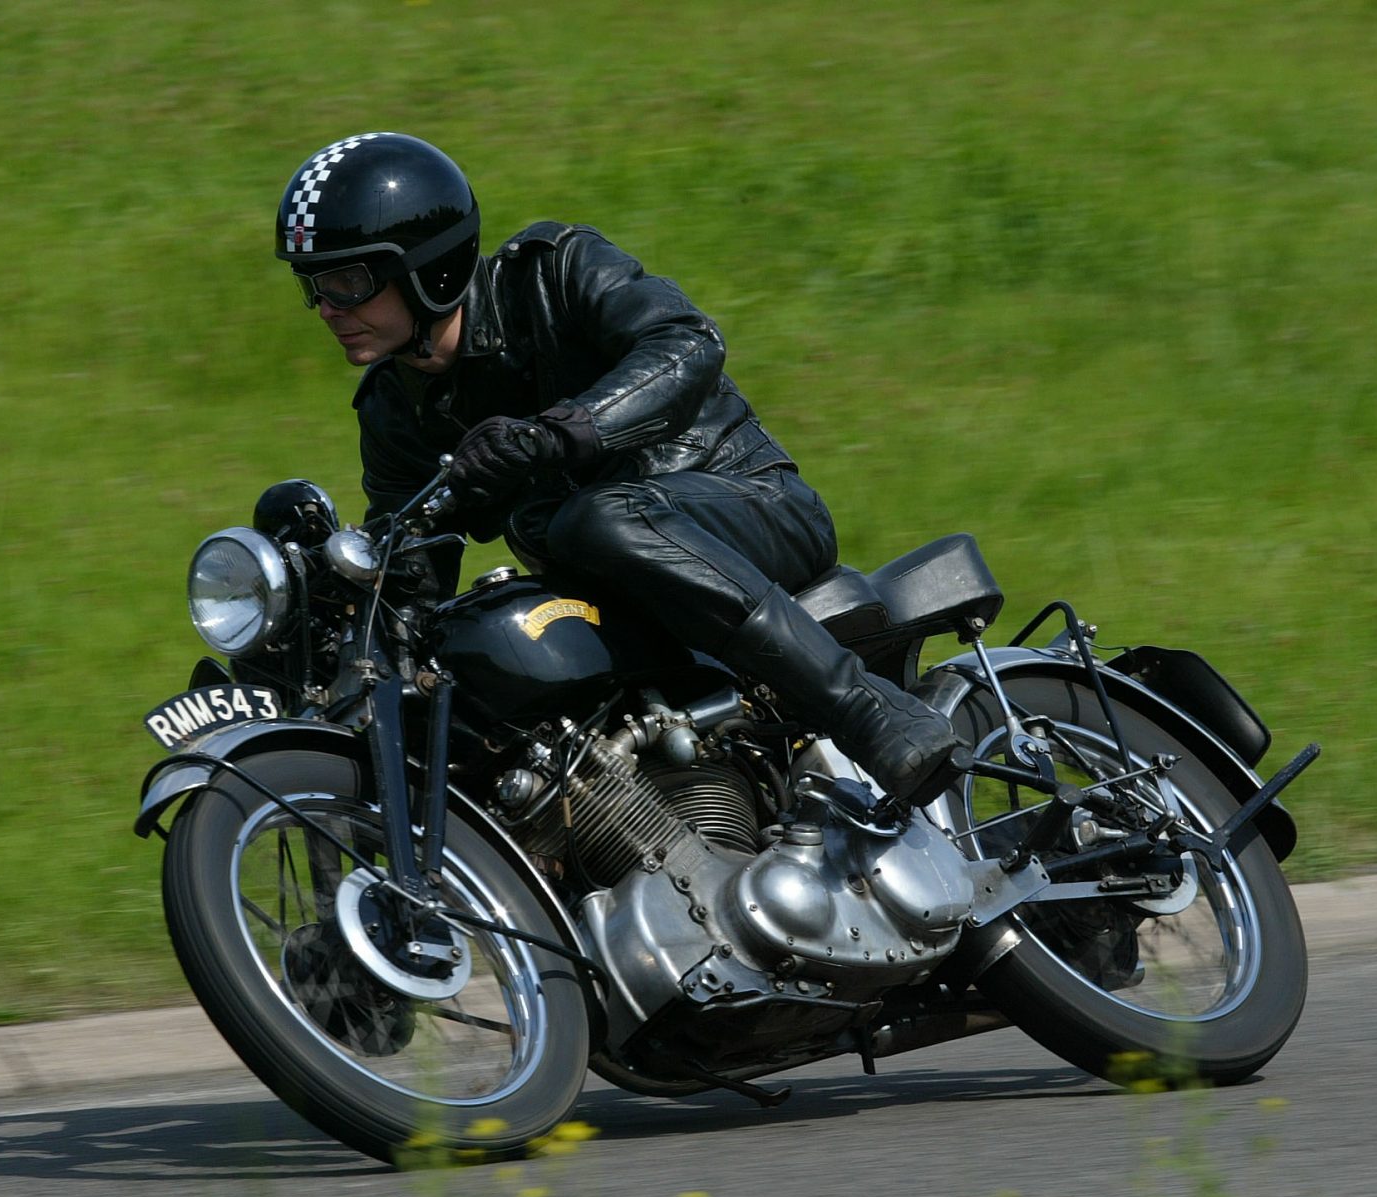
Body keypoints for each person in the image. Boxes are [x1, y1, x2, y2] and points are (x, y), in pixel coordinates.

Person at [275, 132, 964, 806]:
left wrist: (561, 434)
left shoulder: (554, 272)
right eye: (315, 286)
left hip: (752, 511)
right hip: (610, 593)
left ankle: (869, 709)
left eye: (349, 280)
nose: (329, 308)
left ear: (429, 267)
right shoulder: (394, 411)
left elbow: (688, 346)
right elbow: (416, 579)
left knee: (596, 516)